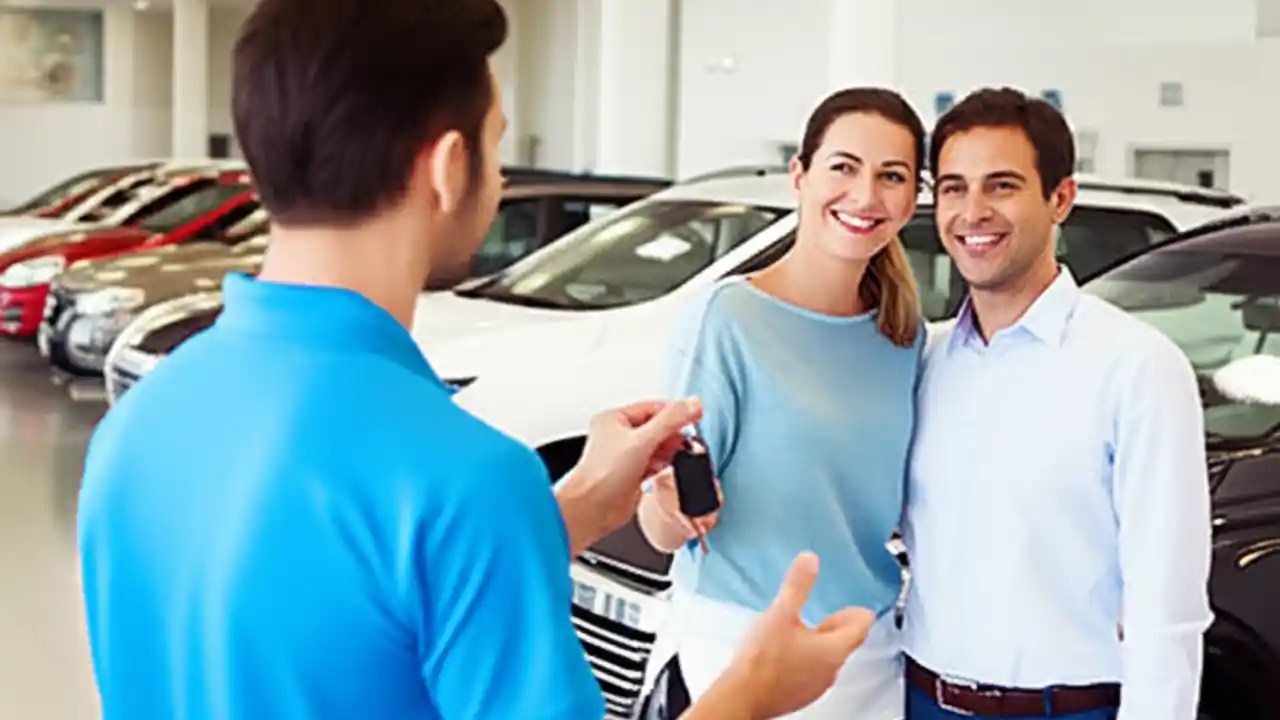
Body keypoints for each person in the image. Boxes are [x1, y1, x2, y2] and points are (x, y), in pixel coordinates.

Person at [74, 3, 879, 720]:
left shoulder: (143, 419)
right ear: (447, 166)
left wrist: (578, 508)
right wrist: (747, 695)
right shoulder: (460, 475)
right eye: (496, 148)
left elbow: (340, 605)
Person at [899, 87, 1213, 719]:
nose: (972, 212)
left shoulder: (1135, 367)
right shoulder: (924, 361)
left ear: (1061, 198)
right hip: (919, 700)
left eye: (1002, 186)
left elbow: (1167, 607)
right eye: (954, 188)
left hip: (1065, 710)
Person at [637, 88, 928, 718]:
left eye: (892, 176)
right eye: (843, 167)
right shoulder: (726, 321)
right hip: (737, 651)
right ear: (800, 176)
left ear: (912, 199)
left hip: (869, 658)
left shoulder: (905, 340)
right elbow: (663, 526)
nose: (865, 196)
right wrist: (668, 509)